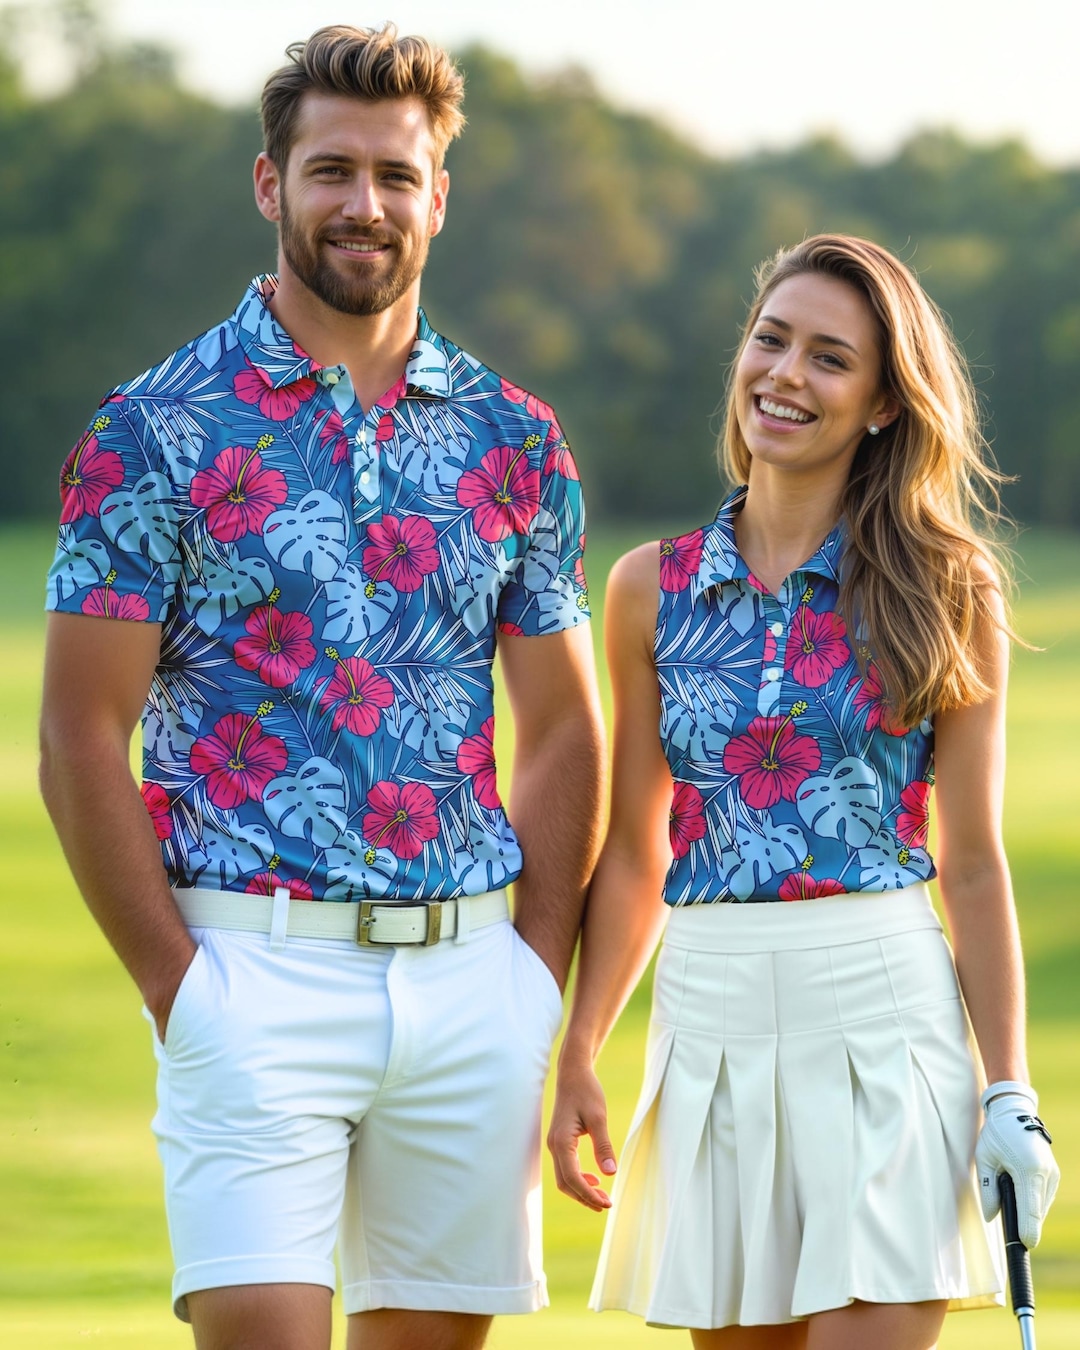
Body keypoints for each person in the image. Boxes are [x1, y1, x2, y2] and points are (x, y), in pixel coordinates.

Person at [39, 23, 604, 1350]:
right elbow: (78, 732)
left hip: (476, 979)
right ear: (269, 183)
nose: (365, 205)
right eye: (332, 170)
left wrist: (535, 971)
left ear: (439, 197)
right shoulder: (154, 429)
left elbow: (568, 723)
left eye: (397, 177)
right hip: (250, 972)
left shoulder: (514, 436)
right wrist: (180, 986)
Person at [548, 234, 1059, 1350]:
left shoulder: (946, 583)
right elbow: (639, 850)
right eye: (771, 340)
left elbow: (969, 859)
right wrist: (581, 1044)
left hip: (885, 1014)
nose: (785, 375)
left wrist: (1009, 1085)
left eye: (831, 358)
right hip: (710, 1020)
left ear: (883, 402)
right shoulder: (649, 589)